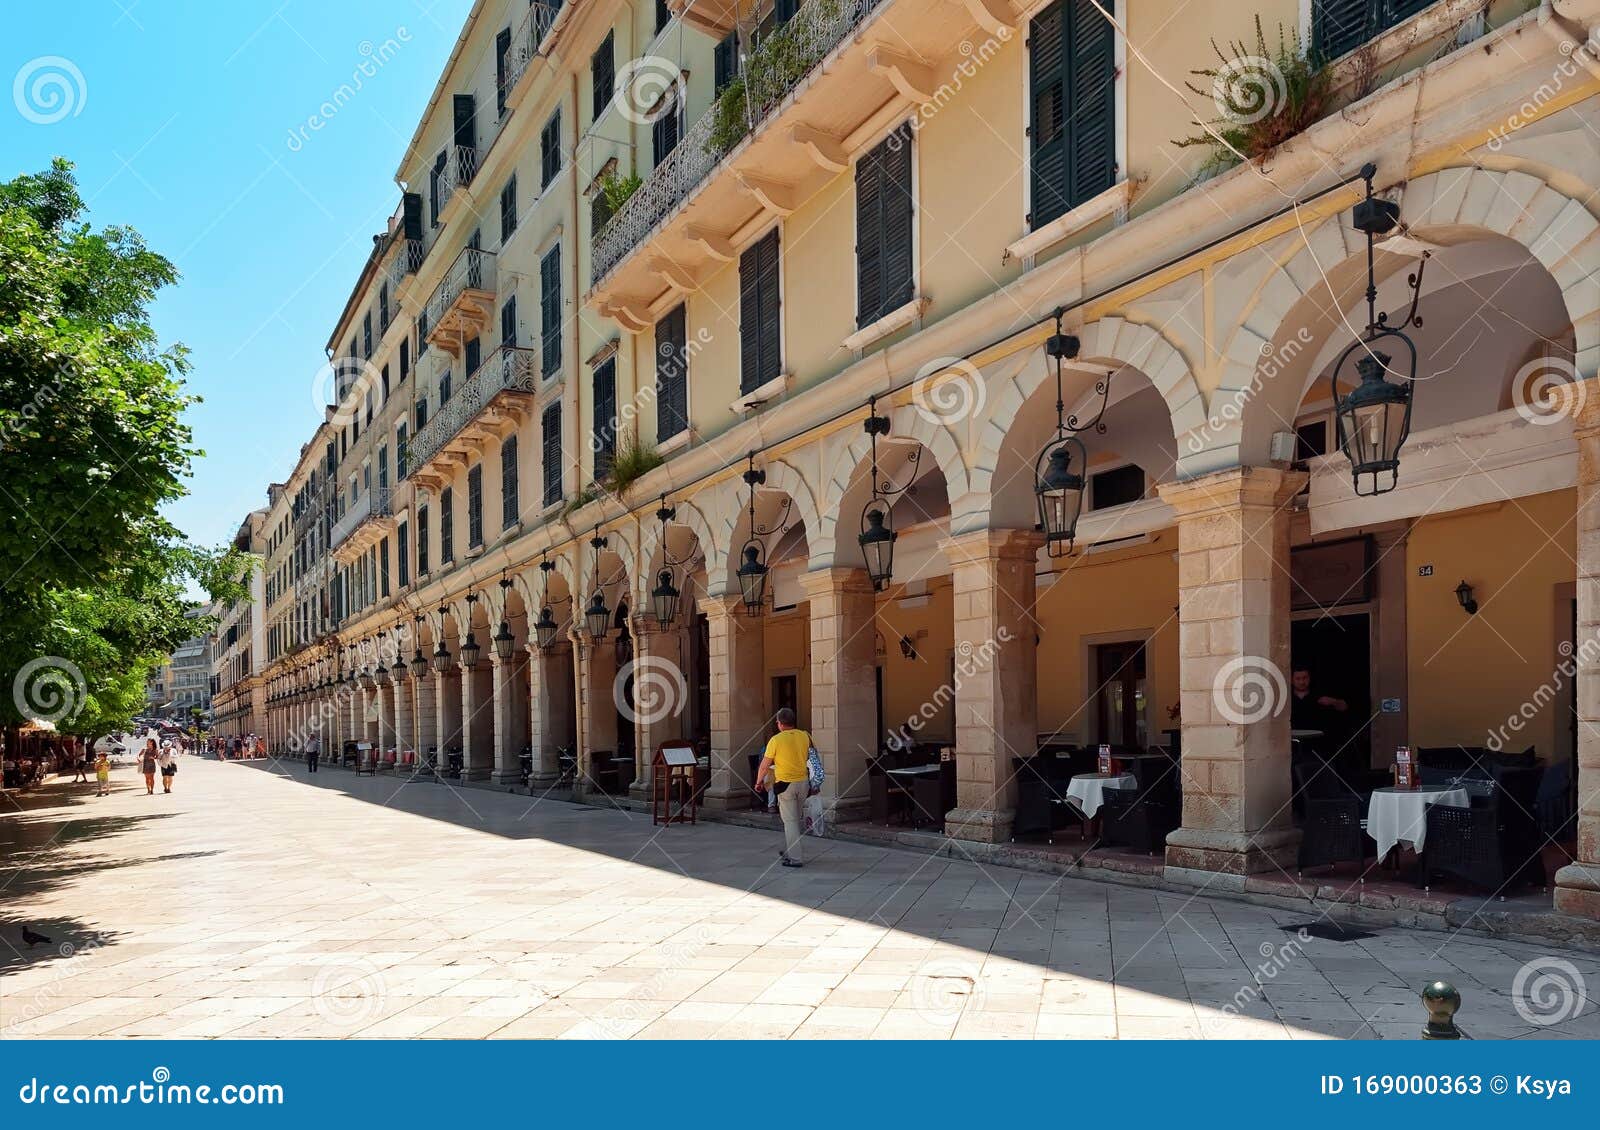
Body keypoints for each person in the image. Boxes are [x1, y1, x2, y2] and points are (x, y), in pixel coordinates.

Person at [753, 707, 813, 868]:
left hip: (785, 784)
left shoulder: (776, 740)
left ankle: (795, 858)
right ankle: (790, 850)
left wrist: (758, 782)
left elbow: (764, 765)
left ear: (779, 723)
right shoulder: (805, 736)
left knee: (790, 821)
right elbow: (810, 758)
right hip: (803, 782)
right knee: (795, 819)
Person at [1289, 666, 1348, 735]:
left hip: (1317, 737)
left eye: (1305, 678)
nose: (1302, 682)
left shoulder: (1319, 694)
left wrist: (1333, 701)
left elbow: (1344, 707)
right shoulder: (1286, 698)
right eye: (1298, 679)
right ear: (1291, 680)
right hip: (1292, 738)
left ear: (1310, 678)